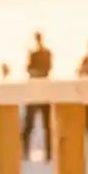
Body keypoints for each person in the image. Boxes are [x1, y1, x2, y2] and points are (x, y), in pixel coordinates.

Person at [21, 31, 53, 161]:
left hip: (42, 91)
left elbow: (47, 68)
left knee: (47, 125)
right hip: (35, 92)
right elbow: (29, 68)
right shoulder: (34, 54)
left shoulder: (45, 53)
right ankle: (25, 152)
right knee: (29, 125)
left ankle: (49, 153)